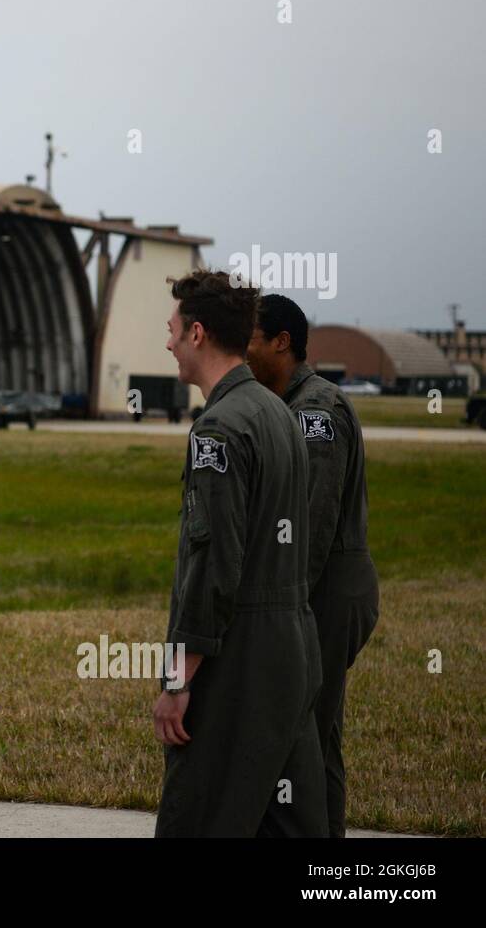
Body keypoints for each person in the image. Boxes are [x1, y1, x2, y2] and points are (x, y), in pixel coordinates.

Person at [153, 271, 327, 837]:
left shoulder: (219, 429)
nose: (169, 342)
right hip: (294, 648)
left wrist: (178, 681)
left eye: (173, 330)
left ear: (198, 334)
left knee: (199, 818)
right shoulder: (278, 412)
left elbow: (213, 567)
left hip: (241, 659)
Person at [245, 293, 380, 837]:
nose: (241, 346)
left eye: (250, 336)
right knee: (316, 735)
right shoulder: (284, 403)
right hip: (315, 587)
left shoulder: (316, 413)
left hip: (324, 589)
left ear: (282, 342)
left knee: (302, 731)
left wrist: (283, 605)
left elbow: (312, 522)